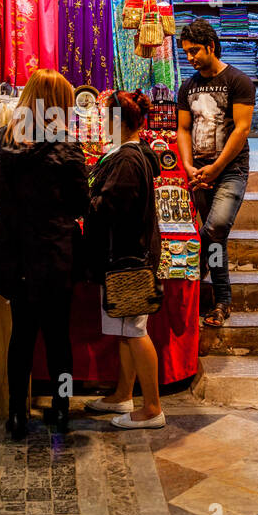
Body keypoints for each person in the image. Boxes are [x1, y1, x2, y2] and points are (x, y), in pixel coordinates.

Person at [0, 68, 88, 438]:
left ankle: (15, 415)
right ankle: (60, 411)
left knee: (21, 335)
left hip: (13, 253)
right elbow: (80, 204)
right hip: (53, 254)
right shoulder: (66, 147)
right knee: (58, 338)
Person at [83, 90, 166, 429]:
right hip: (123, 255)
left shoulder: (129, 160)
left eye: (106, 117)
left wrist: (84, 199)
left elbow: (111, 207)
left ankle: (152, 408)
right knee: (124, 328)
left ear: (117, 121)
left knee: (134, 331)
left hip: (129, 258)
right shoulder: (129, 154)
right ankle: (122, 395)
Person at [176, 18, 254, 329]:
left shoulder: (238, 81)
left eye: (195, 51)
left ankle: (198, 269)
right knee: (216, 238)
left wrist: (215, 168)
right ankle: (222, 301)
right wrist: (189, 165)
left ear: (211, 46)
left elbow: (243, 130)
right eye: (186, 53)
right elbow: (183, 128)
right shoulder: (188, 86)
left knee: (214, 228)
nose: (190, 57)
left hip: (230, 169)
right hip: (199, 172)